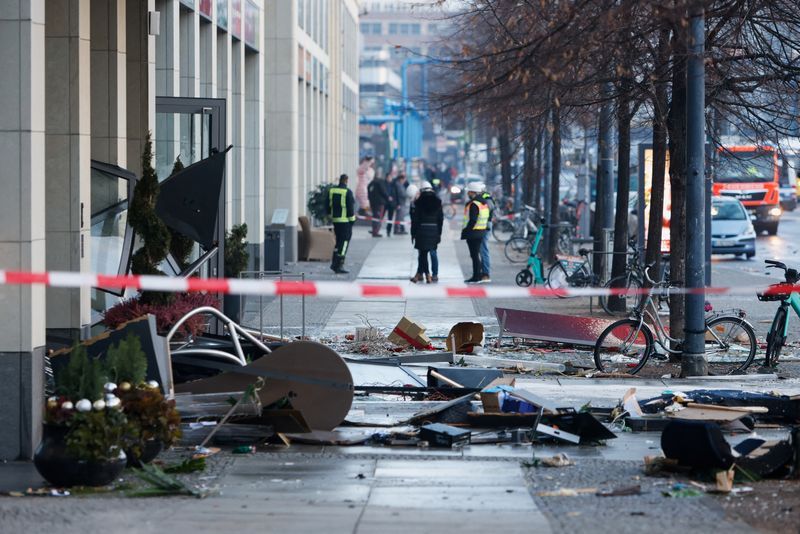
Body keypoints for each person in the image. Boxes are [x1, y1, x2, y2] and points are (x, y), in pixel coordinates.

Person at [410, 181, 443, 283]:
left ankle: (426, 274)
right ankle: (435, 274)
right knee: (433, 252)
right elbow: (440, 219)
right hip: (434, 230)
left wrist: (413, 233)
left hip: (422, 230)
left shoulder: (418, 202)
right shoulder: (438, 202)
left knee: (422, 254)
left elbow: (415, 220)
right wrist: (439, 233)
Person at [461, 182, 490, 284]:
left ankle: (476, 277)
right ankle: (478, 275)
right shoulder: (484, 203)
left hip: (473, 233)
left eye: (469, 191)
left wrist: (466, 231)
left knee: (474, 256)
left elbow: (473, 220)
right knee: (476, 255)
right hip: (481, 231)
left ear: (473, 192)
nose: (468, 193)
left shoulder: (474, 204)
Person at [328, 174, 356, 274]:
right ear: (346, 181)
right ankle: (339, 264)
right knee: (344, 243)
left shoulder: (332, 191)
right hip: (345, 222)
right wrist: (352, 221)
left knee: (338, 242)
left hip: (335, 221)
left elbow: (327, 205)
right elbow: (350, 209)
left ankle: (334, 263)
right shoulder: (347, 192)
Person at [478, 183, 496, 283]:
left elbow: (490, 207)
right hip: (483, 224)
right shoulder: (483, 196)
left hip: (485, 225)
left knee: (483, 250)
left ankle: (485, 273)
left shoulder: (485, 197)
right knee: (481, 250)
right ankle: (483, 272)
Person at [367, 170, 390, 237]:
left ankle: (374, 230)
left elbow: (368, 190)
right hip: (380, 203)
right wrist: (388, 197)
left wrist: (370, 199)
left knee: (375, 217)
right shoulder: (380, 182)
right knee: (379, 217)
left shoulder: (371, 183)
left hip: (373, 203)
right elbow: (383, 191)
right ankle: (375, 232)